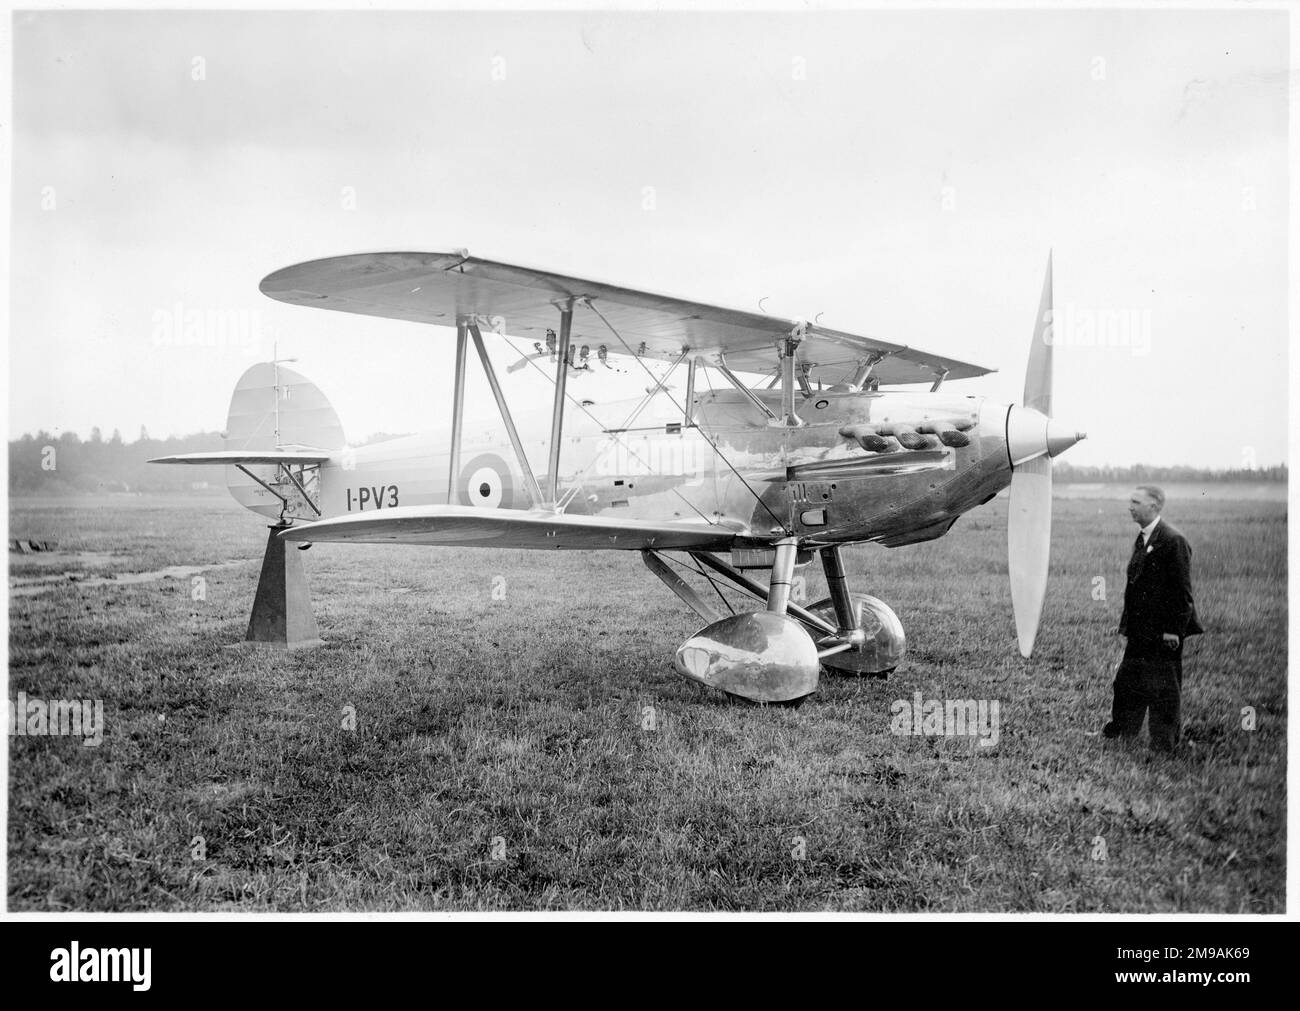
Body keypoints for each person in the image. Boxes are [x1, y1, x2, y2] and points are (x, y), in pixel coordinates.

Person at [1102, 485, 1204, 752]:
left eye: (1136, 502)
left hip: (1163, 633)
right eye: (1130, 501)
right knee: (1127, 682)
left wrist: (1173, 631)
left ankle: (1164, 744)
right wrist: (1127, 626)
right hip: (1140, 631)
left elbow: (1182, 593)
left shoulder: (1173, 541)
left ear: (1155, 507)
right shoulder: (1143, 538)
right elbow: (1136, 587)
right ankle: (1123, 732)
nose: (1130, 506)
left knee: (1164, 690)